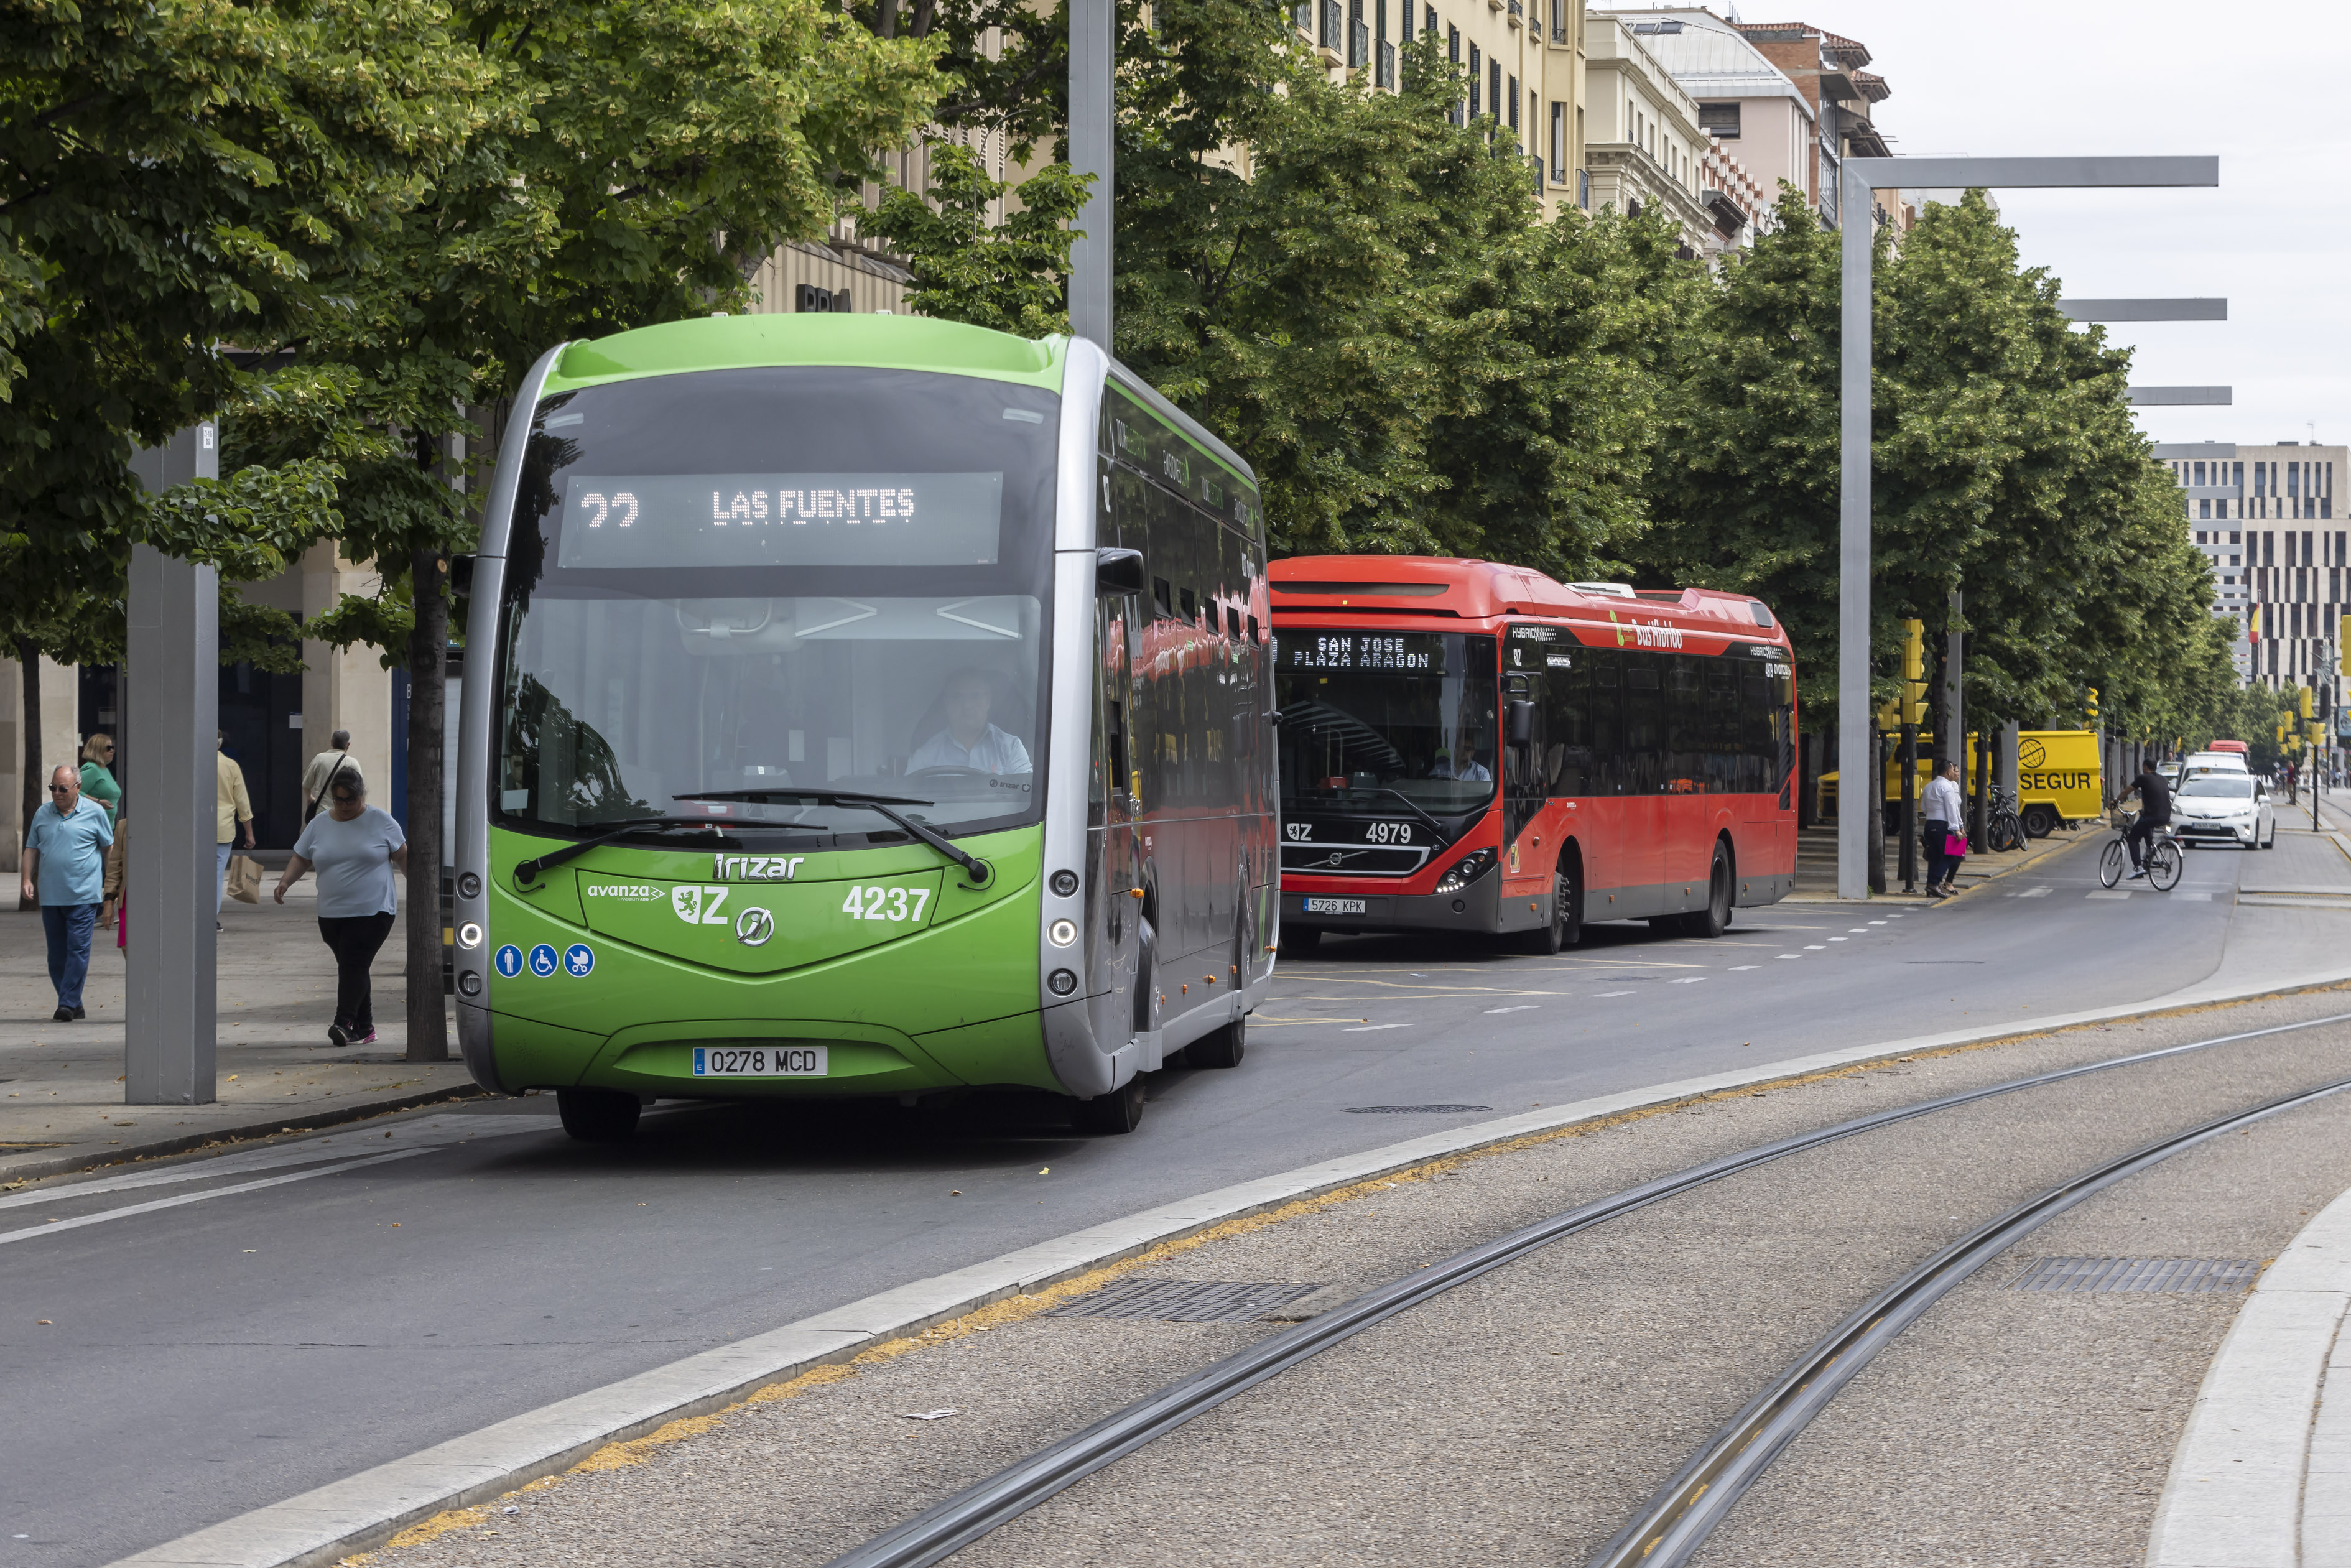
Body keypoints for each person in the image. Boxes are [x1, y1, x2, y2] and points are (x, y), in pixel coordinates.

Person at [273, 767, 407, 1048]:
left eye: (350, 800)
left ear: (362, 795)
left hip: (375, 910)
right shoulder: (320, 824)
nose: (344, 806)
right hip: (332, 913)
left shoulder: (381, 821)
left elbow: (404, 858)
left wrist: (423, 889)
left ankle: (343, 1023)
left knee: (354, 963)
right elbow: (301, 857)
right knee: (353, 967)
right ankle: (365, 1027)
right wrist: (286, 881)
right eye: (338, 800)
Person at [21, 764, 114, 1021]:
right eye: (53, 788)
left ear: (78, 788)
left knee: (77, 950)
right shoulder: (42, 813)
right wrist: (27, 879)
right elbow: (31, 848)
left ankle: (67, 1003)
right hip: (51, 896)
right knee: (56, 957)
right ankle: (75, 1003)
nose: (57, 793)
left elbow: (109, 850)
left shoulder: (95, 813)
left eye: (63, 788)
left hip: (84, 895)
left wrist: (111, 888)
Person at [907, 670, 1030, 774]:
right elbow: (910, 798)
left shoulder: (1011, 748)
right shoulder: (926, 756)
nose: (967, 705)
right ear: (947, 704)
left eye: (975, 696)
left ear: (988, 701)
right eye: (957, 697)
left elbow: (1026, 794)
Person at [216, 730, 255, 922]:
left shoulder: (191, 763)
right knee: (216, 875)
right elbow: (242, 802)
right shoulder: (231, 766)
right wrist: (249, 833)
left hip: (194, 830)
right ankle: (210, 917)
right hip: (222, 829)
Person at [2117, 758, 2173, 880]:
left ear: (2145, 767)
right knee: (2146, 827)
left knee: (2133, 838)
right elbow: (2156, 796)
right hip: (2165, 816)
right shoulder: (2162, 779)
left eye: (2143, 767)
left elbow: (2128, 790)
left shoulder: (2143, 778)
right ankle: (2152, 853)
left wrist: (2116, 801)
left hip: (2152, 816)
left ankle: (2138, 867)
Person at [1921, 759, 1965, 898]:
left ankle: (1931, 886)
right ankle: (1934, 884)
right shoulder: (1947, 787)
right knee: (1951, 855)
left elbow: (1923, 807)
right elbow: (1951, 809)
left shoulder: (1929, 786)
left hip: (1929, 824)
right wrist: (1957, 829)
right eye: (1953, 770)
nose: (1954, 773)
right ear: (1948, 772)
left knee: (1935, 856)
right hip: (1943, 825)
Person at [302, 730, 354, 817]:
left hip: (322, 813)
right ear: (348, 745)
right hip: (343, 814)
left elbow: (306, 784)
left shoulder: (319, 759)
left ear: (331, 742)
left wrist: (309, 798)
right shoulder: (352, 763)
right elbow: (359, 791)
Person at [79, 733, 121, 825]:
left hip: (107, 825)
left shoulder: (104, 769)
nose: (112, 751)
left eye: (113, 747)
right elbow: (76, 792)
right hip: (93, 825)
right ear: (98, 750)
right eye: (108, 748)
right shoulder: (92, 769)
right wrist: (98, 802)